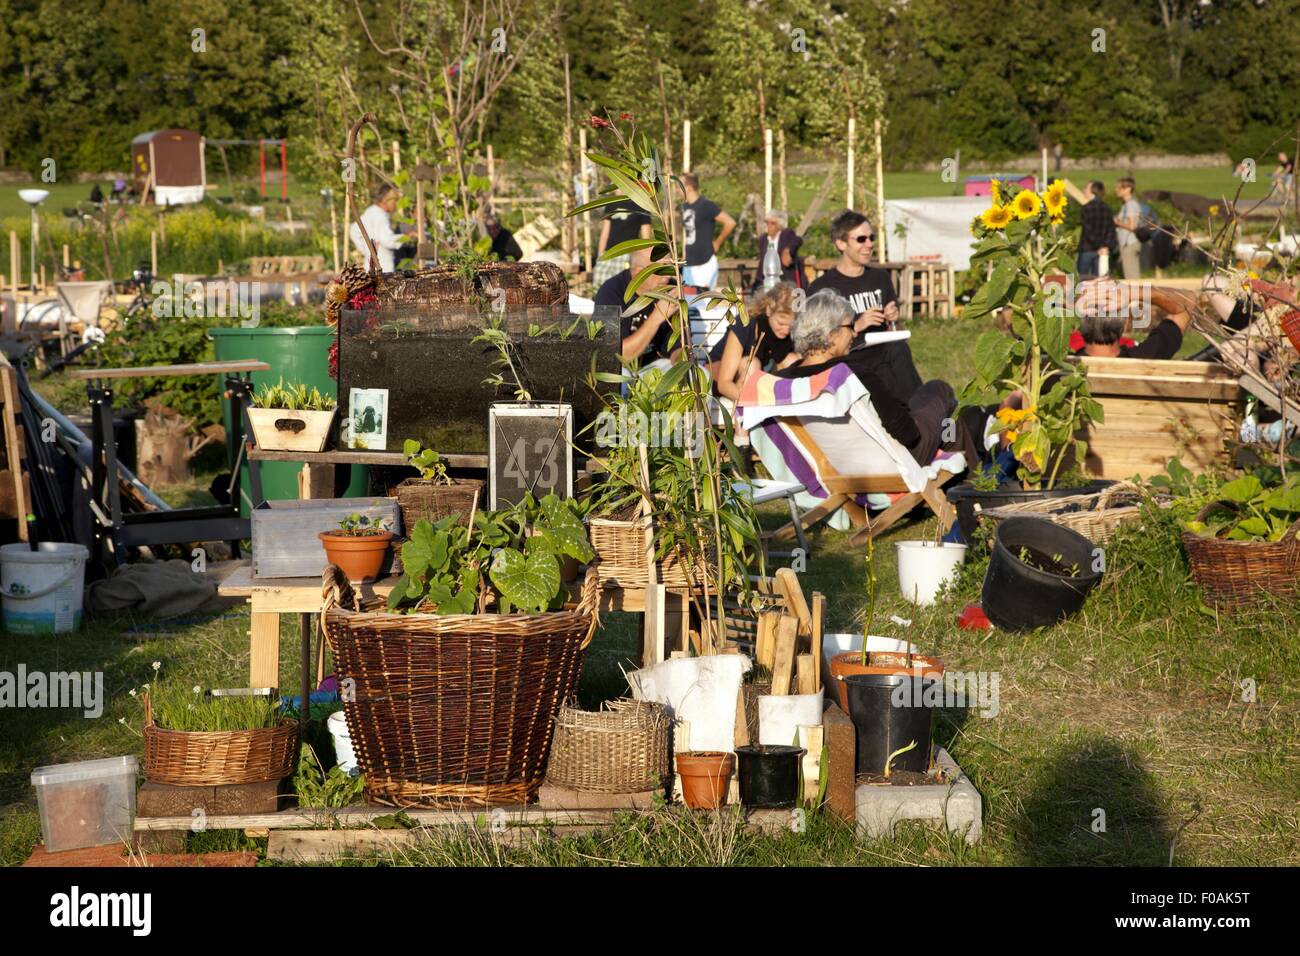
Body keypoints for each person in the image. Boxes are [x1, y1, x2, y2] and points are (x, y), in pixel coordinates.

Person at [774, 290, 984, 469]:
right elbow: (908, 434)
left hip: (834, 469)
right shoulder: (850, 375)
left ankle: (962, 482)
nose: (854, 335)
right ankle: (972, 487)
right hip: (891, 463)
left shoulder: (783, 382)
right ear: (831, 335)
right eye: (850, 327)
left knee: (936, 407)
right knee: (941, 393)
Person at [808, 209, 924, 407]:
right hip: (849, 358)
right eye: (861, 239)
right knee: (892, 361)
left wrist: (893, 319)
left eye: (871, 237)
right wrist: (857, 326)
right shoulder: (823, 288)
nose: (869, 244)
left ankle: (919, 409)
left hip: (885, 351)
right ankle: (922, 409)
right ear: (841, 243)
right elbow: (814, 343)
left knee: (898, 349)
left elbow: (894, 331)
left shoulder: (880, 278)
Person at [710, 281, 800, 402]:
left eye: (791, 325)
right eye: (781, 323)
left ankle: (787, 405)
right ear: (768, 310)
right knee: (751, 364)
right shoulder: (746, 323)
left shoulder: (788, 332)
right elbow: (724, 384)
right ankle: (746, 417)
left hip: (758, 379)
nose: (786, 330)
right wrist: (758, 406)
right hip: (721, 379)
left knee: (792, 361)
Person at [595, 245, 679, 364]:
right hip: (621, 368)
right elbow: (615, 354)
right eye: (661, 270)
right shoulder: (612, 292)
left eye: (670, 268)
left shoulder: (671, 289)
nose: (667, 276)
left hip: (658, 365)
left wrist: (682, 368)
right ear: (638, 272)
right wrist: (657, 317)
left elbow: (679, 346)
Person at [1074, 280, 1190, 359]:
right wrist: (1131, 293)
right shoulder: (1148, 356)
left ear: (1081, 324)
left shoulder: (1063, 367)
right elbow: (1188, 302)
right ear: (1125, 323)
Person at [679, 173, 735, 290]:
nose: (675, 189)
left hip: (704, 263)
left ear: (688, 188)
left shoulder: (706, 205)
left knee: (704, 303)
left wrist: (717, 243)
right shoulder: (685, 207)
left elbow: (730, 223)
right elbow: (688, 233)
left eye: (678, 185)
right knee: (687, 303)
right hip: (689, 264)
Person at [349, 183, 409, 273]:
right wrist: (407, 237)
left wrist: (367, 250)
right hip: (383, 268)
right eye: (395, 200)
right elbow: (387, 240)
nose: (396, 204)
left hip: (371, 265)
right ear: (385, 199)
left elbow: (353, 230)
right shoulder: (380, 216)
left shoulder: (371, 211)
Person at [594, 199, 652, 288]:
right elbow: (604, 234)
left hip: (628, 255)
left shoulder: (642, 205)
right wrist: (600, 257)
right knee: (599, 288)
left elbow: (646, 239)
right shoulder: (611, 204)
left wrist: (645, 262)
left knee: (622, 288)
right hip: (608, 254)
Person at [1077, 181, 1117, 278]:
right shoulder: (1107, 208)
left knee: (1081, 280)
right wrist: (1105, 246)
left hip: (1087, 249)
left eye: (1086, 188)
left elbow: (1088, 231)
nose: (1084, 190)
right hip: (1102, 251)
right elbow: (1111, 230)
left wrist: (1099, 246)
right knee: (1099, 283)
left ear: (1092, 191)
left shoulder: (1086, 208)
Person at [756, 210, 804, 288]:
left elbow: (798, 240)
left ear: (780, 225)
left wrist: (787, 251)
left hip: (785, 279)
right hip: (768, 280)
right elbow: (762, 263)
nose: (769, 226)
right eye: (767, 223)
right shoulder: (764, 239)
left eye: (773, 223)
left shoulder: (786, 234)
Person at [1113, 177, 1142, 281]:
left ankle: (1138, 297)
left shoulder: (1131, 204)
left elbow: (1132, 226)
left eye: (1119, 188)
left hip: (1129, 244)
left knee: (1132, 277)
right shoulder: (1127, 204)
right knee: (1130, 276)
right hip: (1127, 244)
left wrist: (1117, 222)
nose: (1116, 190)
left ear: (1128, 189)